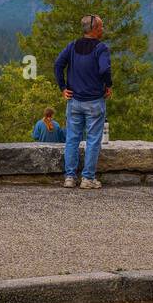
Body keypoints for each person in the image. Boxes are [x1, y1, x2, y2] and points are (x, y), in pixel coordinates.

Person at [54, 14, 112, 189]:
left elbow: (58, 64)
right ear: (94, 29)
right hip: (94, 101)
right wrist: (108, 85)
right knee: (93, 140)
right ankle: (87, 178)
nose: (103, 30)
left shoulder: (72, 46)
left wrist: (63, 87)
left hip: (74, 101)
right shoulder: (101, 48)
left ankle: (70, 177)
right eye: (101, 27)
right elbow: (105, 69)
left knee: (72, 139)